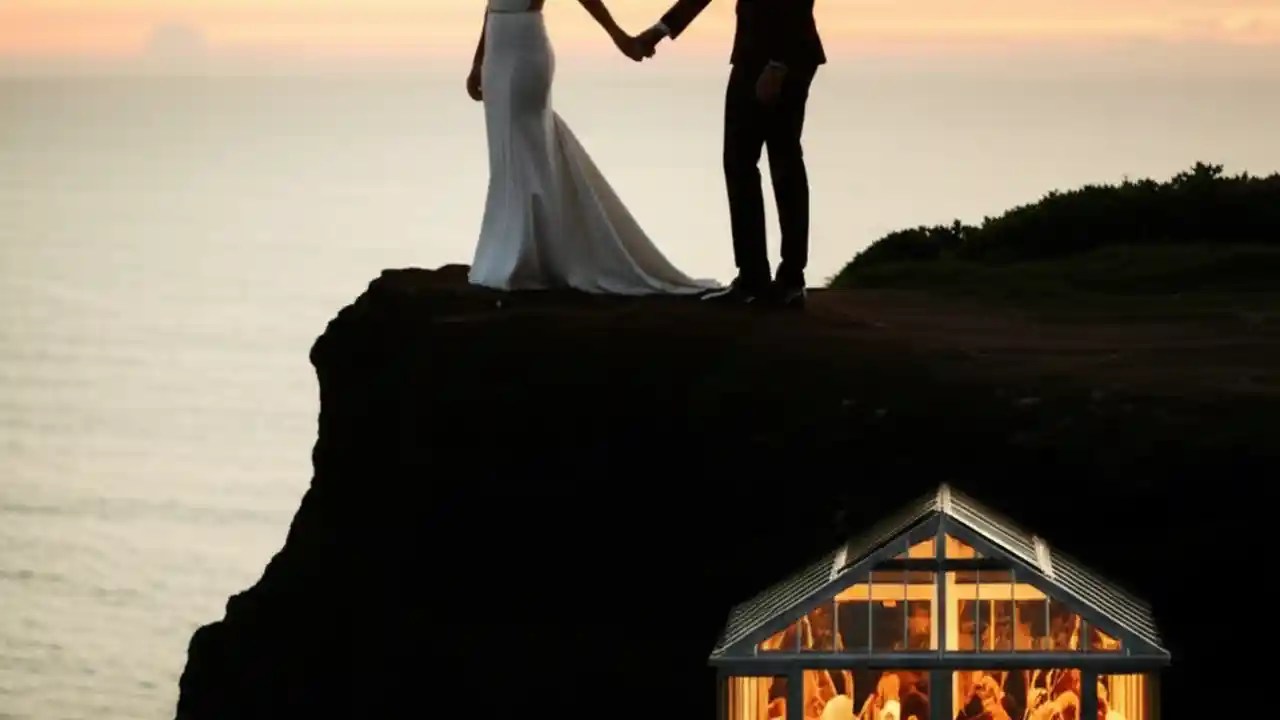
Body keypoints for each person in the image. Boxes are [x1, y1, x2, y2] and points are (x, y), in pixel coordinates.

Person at [466, 0, 719, 296]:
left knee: (529, 143)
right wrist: (478, 59)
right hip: (498, 42)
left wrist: (618, 36)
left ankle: (531, 256)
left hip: (525, 43)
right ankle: (508, 249)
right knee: (506, 146)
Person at [637, 0, 826, 308]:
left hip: (784, 56)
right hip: (755, 55)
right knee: (745, 161)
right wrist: (661, 30)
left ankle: (787, 277)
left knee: (781, 161)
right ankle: (756, 277)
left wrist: (778, 64)